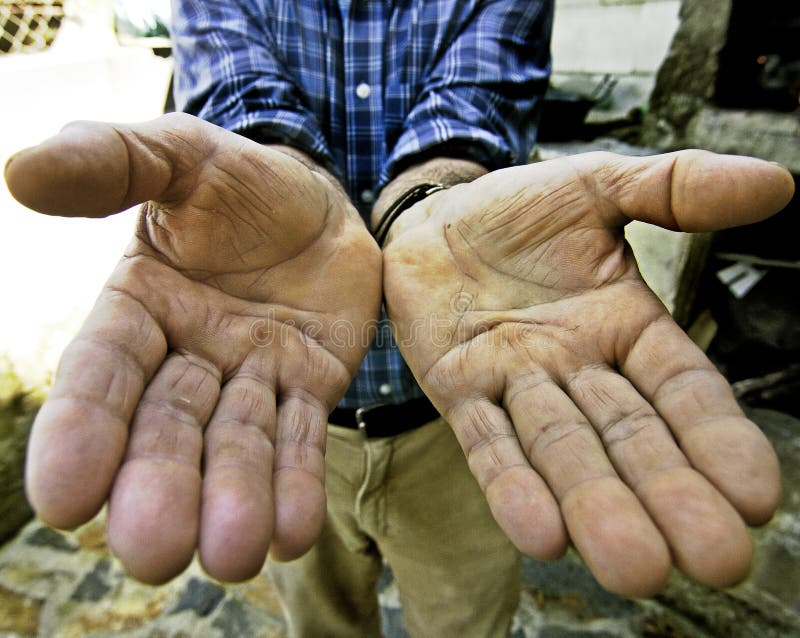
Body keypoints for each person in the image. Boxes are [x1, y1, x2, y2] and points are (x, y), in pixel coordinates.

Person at [4, 0, 794, 636]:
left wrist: (427, 201)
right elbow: (238, 91)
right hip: (290, 426)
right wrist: (276, 172)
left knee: (466, 625)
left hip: (459, 427)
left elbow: (476, 100)